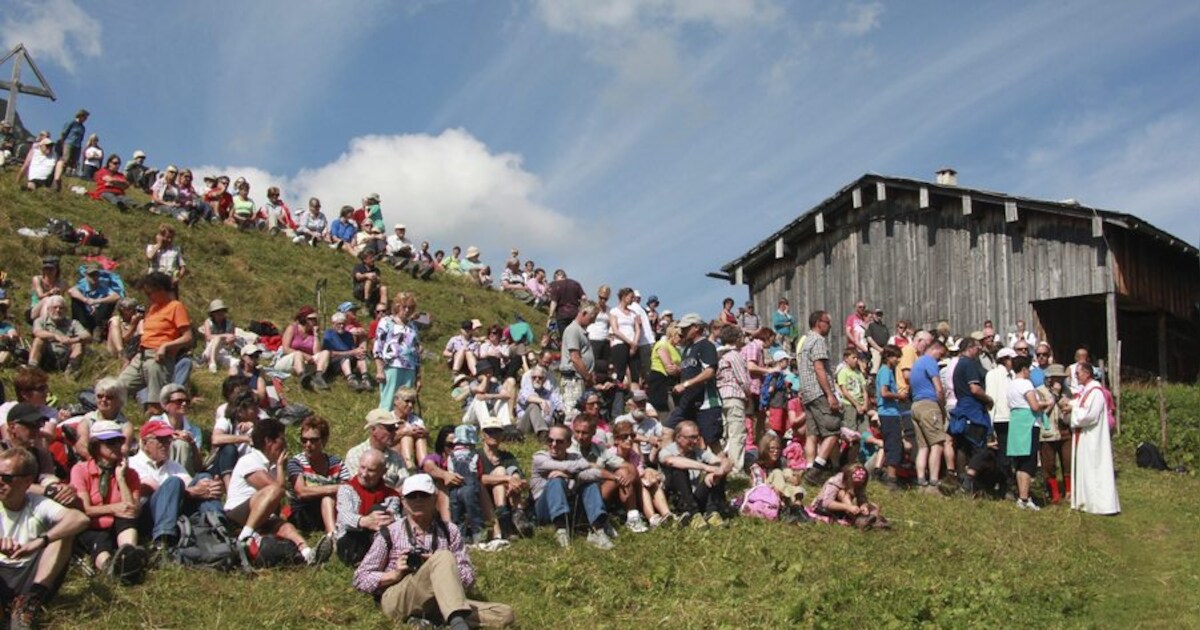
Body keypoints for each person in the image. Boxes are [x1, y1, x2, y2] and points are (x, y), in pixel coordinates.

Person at [353, 473, 515, 629]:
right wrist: (394, 574)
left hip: (439, 598)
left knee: (504, 614)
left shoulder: (449, 531)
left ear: (434, 498)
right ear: (403, 501)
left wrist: (442, 570)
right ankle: (458, 623)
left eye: (423, 495)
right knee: (443, 556)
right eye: (412, 496)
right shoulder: (390, 533)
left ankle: (430, 619)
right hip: (399, 596)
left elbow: (469, 577)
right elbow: (360, 578)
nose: (418, 500)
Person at [0, 447, 89, 629]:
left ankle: (28, 604)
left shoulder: (36, 503)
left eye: (7, 477)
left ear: (27, 481)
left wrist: (40, 542)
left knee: (64, 533)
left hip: (30, 574)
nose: (0, 482)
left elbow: (80, 518)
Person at [224, 417, 332, 565]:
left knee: (287, 527)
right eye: (282, 439)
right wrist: (281, 467)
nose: (285, 444)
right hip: (236, 515)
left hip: (261, 517)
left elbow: (276, 501)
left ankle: (308, 554)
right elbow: (276, 491)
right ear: (269, 441)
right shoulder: (250, 461)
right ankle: (245, 537)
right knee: (274, 490)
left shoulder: (272, 466)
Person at [69, 420, 149, 583]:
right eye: (111, 442)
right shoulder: (80, 470)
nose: (117, 446)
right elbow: (86, 509)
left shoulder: (130, 474)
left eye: (120, 441)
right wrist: (114, 508)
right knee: (98, 539)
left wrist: (120, 478)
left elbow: (132, 510)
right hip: (93, 526)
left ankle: (128, 554)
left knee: (126, 519)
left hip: (119, 526)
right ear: (96, 446)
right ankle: (109, 568)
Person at [128, 418, 223, 549]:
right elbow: (153, 488)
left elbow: (191, 485)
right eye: (161, 440)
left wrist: (210, 488)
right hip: (147, 515)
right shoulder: (133, 463)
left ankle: (218, 524)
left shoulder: (173, 465)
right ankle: (163, 539)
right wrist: (192, 492)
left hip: (174, 511)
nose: (166, 444)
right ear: (145, 443)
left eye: (168, 440)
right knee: (173, 482)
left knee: (204, 477)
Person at [529, 426, 614, 550]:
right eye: (550, 440)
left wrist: (571, 475)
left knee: (590, 482)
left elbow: (595, 474)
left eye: (559, 441)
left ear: (568, 443)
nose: (553, 445)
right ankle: (561, 530)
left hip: (570, 507)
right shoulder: (539, 458)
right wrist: (586, 465)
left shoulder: (575, 458)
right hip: (545, 510)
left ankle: (597, 530)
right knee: (556, 480)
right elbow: (560, 465)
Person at [117, 272, 191, 407]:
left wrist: (166, 346)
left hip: (159, 357)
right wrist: (134, 325)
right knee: (117, 388)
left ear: (161, 289)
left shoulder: (175, 306)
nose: (148, 296)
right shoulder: (152, 308)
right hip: (141, 356)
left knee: (155, 403)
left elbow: (187, 337)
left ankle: (157, 424)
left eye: (150, 293)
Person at [569, 415, 643, 533]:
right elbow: (586, 472)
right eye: (577, 432)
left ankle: (633, 517)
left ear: (593, 433)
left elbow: (626, 465)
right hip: (578, 494)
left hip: (600, 491)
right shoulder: (569, 448)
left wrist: (631, 476)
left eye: (584, 433)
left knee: (623, 471)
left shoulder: (599, 449)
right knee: (617, 475)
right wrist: (612, 476)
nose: (580, 436)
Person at [1063, 363, 1120, 515]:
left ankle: (1100, 504)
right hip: (1084, 437)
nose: (1076, 376)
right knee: (1085, 468)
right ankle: (1086, 502)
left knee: (1095, 468)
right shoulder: (1086, 391)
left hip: (1093, 438)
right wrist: (1068, 405)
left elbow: (1090, 415)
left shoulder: (1096, 392)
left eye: (1078, 373)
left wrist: (1072, 409)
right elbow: (1078, 404)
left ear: (1088, 373)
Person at [798, 311, 843, 485]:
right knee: (833, 430)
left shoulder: (805, 342)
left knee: (812, 433)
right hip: (819, 392)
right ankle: (817, 469)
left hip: (808, 393)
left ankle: (810, 467)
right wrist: (830, 394)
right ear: (818, 323)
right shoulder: (817, 340)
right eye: (828, 322)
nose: (830, 326)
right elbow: (819, 368)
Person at [660, 420, 731, 528]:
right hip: (676, 498)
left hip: (694, 497)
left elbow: (726, 462)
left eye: (697, 437)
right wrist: (706, 467)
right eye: (691, 438)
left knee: (716, 472)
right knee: (678, 470)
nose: (695, 441)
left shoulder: (698, 452)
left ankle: (711, 512)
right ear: (679, 437)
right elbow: (671, 461)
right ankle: (692, 514)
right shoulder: (667, 451)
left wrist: (718, 471)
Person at [335, 449, 400, 566]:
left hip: (380, 536)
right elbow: (345, 516)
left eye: (371, 470)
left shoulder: (391, 495)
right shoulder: (347, 489)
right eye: (362, 468)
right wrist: (365, 521)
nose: (364, 474)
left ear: (382, 472)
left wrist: (388, 519)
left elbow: (395, 516)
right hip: (352, 538)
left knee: (379, 511)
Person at [287, 417, 348, 539]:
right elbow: (301, 492)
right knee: (328, 497)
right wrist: (335, 488)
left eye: (313, 440)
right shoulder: (296, 462)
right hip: (305, 513)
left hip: (330, 509)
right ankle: (333, 535)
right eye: (304, 440)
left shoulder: (336, 462)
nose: (308, 445)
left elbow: (348, 489)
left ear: (324, 440)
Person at [666, 314, 721, 447]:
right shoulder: (687, 349)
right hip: (688, 402)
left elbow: (709, 372)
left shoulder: (706, 345)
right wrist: (678, 370)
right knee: (668, 431)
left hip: (706, 403)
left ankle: (722, 467)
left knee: (710, 445)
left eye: (686, 328)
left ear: (696, 327)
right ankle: (668, 465)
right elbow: (692, 369)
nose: (682, 331)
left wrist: (686, 384)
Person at [608, 417, 672, 528]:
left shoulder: (634, 455)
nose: (629, 439)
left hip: (633, 491)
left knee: (650, 482)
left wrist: (649, 476)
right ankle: (652, 518)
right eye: (625, 437)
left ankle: (667, 514)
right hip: (618, 493)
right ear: (617, 439)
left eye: (632, 436)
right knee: (642, 482)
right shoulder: (610, 455)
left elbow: (640, 472)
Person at [1007, 356, 1049, 510]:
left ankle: (1023, 495)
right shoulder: (1025, 384)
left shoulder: (1011, 385)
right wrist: (1046, 403)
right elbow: (1034, 405)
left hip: (1016, 422)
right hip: (1028, 424)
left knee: (1019, 460)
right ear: (1024, 369)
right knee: (1029, 461)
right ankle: (1024, 498)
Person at [478, 417, 530, 542]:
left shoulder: (507, 456)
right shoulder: (477, 455)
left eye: (497, 431)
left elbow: (522, 479)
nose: (494, 435)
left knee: (513, 478)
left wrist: (515, 482)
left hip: (508, 495)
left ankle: (513, 520)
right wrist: (507, 478)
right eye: (490, 432)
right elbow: (480, 479)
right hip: (484, 498)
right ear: (483, 434)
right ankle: (508, 520)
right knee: (501, 472)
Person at [909, 340, 948, 492]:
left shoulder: (917, 364)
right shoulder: (930, 362)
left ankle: (921, 480)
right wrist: (942, 407)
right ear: (934, 349)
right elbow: (938, 388)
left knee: (923, 446)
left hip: (916, 405)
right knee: (937, 444)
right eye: (941, 354)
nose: (940, 358)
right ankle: (933, 482)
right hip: (929, 406)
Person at [748, 433, 808, 523]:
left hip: (783, 493)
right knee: (777, 472)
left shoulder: (781, 463)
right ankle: (792, 507)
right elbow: (759, 488)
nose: (775, 451)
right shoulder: (757, 467)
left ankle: (796, 507)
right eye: (772, 449)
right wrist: (774, 489)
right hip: (767, 495)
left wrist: (795, 479)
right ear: (765, 449)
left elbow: (791, 480)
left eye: (777, 448)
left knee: (787, 472)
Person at [375, 293, 421, 409]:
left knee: (406, 401)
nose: (407, 310)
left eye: (410, 308)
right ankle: (383, 424)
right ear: (397, 306)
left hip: (409, 368)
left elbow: (416, 352)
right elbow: (378, 346)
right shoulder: (387, 321)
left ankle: (400, 424)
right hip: (392, 365)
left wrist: (418, 376)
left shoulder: (413, 327)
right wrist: (380, 370)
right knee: (389, 399)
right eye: (404, 306)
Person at [715, 324, 751, 474]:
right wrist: (748, 395)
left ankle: (722, 464)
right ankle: (736, 468)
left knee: (724, 432)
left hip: (720, 396)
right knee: (737, 433)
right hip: (734, 395)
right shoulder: (734, 355)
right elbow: (743, 380)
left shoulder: (718, 355)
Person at [809, 462, 888, 529]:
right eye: (855, 483)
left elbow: (861, 497)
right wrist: (848, 507)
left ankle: (874, 520)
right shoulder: (836, 482)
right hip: (823, 507)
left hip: (844, 507)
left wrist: (864, 505)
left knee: (874, 506)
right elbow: (827, 503)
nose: (857, 485)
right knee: (843, 494)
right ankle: (858, 519)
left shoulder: (859, 485)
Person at [345, 410, 410, 490]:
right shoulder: (355, 454)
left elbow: (406, 482)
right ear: (373, 430)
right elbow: (359, 485)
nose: (394, 433)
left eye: (395, 429)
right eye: (389, 429)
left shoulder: (396, 457)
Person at [27, 296, 89, 376]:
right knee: (38, 340)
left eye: (61, 308)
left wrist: (72, 340)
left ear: (66, 310)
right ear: (48, 309)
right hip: (46, 356)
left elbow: (87, 336)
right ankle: (32, 368)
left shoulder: (73, 323)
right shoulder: (41, 321)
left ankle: (71, 371)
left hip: (65, 357)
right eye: (54, 307)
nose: (58, 310)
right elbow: (37, 332)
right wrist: (56, 337)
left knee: (78, 343)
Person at [275, 306, 331, 391]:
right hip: (289, 361)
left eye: (315, 319)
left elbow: (317, 353)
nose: (314, 321)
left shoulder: (312, 333)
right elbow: (285, 349)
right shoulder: (292, 328)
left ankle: (319, 376)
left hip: (306, 362)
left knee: (325, 352)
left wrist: (316, 335)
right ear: (304, 318)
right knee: (298, 353)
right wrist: (305, 355)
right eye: (311, 319)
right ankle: (302, 377)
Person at [1037, 364, 1071, 504]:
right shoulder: (1039, 391)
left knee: (1068, 461)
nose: (1060, 381)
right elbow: (1042, 412)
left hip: (1065, 431)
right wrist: (1054, 395)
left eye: (1062, 378)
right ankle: (1054, 493)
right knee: (1049, 464)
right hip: (1048, 432)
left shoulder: (1068, 391)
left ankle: (1069, 491)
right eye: (1057, 378)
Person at [559, 301, 598, 422]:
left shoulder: (581, 331)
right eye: (592, 317)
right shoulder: (573, 330)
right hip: (573, 379)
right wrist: (587, 376)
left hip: (580, 379)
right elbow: (575, 357)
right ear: (584, 313)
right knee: (572, 414)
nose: (593, 321)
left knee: (580, 414)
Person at [68, 262, 120, 339]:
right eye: (91, 275)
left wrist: (96, 301)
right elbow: (71, 291)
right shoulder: (82, 285)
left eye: (96, 275)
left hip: (97, 315)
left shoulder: (102, 287)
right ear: (86, 276)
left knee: (109, 302)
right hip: (84, 314)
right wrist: (86, 301)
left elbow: (116, 296)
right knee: (76, 300)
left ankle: (98, 328)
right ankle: (83, 328)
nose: (94, 277)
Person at [325, 312, 372, 391]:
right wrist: (351, 352)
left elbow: (352, 349)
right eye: (339, 324)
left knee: (361, 356)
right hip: (335, 362)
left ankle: (365, 378)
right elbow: (329, 353)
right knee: (345, 358)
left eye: (343, 324)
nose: (342, 326)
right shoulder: (328, 334)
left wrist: (358, 353)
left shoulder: (348, 335)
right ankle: (351, 379)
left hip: (349, 358)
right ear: (333, 324)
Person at [516, 366, 562, 439]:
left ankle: (543, 432)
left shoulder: (550, 394)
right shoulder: (524, 390)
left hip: (547, 425)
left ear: (545, 379)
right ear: (531, 379)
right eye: (534, 377)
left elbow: (561, 406)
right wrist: (542, 401)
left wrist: (562, 411)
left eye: (540, 378)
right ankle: (542, 433)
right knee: (533, 406)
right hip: (526, 426)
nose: (537, 380)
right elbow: (528, 398)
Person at [646, 324, 682, 413]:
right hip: (660, 381)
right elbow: (670, 369)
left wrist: (678, 368)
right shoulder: (662, 345)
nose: (682, 338)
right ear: (673, 334)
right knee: (664, 412)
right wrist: (680, 369)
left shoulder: (677, 349)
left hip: (672, 383)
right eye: (680, 335)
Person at [200, 299, 236, 374]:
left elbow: (232, 343)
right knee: (217, 338)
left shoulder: (230, 324)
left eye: (221, 311)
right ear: (213, 313)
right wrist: (225, 335)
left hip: (224, 352)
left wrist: (228, 341)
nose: (220, 313)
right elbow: (208, 337)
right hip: (209, 351)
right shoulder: (208, 322)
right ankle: (212, 361)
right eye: (217, 312)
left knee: (236, 363)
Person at [547, 269, 585, 338]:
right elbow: (584, 298)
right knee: (574, 337)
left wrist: (550, 316)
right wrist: (581, 312)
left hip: (562, 315)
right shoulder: (575, 283)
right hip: (575, 314)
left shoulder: (555, 284)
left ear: (557, 276)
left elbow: (554, 302)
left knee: (565, 337)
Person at [28, 257, 67, 324]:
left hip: (55, 310)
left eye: (51, 269)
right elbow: (40, 296)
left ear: (56, 270)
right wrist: (49, 293)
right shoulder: (37, 279)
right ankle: (46, 325)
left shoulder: (62, 282)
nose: (48, 271)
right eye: (46, 269)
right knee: (47, 299)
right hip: (36, 310)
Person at [57, 109, 88, 175]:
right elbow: (64, 132)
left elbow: (81, 138)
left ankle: (70, 174)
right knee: (66, 159)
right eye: (85, 117)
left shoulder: (83, 127)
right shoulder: (72, 122)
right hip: (69, 143)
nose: (85, 119)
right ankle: (60, 173)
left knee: (74, 161)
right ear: (80, 116)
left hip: (77, 145)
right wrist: (62, 143)